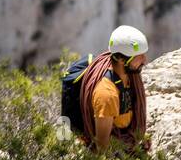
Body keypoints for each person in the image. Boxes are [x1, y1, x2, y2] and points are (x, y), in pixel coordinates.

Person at [61, 25, 150, 153]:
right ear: (120, 58)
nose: (144, 60)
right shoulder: (106, 94)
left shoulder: (128, 72)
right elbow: (102, 147)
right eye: (138, 56)